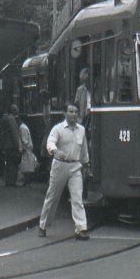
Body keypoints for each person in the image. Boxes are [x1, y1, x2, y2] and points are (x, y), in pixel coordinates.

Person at [38, 102, 90, 240]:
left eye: (76, 112)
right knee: (53, 197)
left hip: (75, 167)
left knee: (77, 198)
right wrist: (55, 151)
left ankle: (81, 228)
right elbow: (50, 142)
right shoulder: (58, 129)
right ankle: (43, 225)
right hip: (59, 166)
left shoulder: (81, 130)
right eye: (71, 112)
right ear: (65, 113)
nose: (74, 114)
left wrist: (86, 164)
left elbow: (84, 149)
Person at [0, 104, 22, 187]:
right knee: (13, 163)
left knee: (8, 163)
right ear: (13, 110)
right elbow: (14, 134)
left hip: (5, 145)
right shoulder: (11, 119)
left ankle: (7, 181)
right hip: (12, 145)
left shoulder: (4, 119)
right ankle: (12, 181)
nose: (17, 110)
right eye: (16, 109)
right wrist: (18, 146)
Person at [18, 115, 37, 186]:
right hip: (27, 148)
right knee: (27, 166)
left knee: (26, 166)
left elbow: (24, 140)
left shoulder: (22, 127)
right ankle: (27, 181)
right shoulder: (24, 127)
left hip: (26, 149)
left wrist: (22, 148)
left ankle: (27, 181)